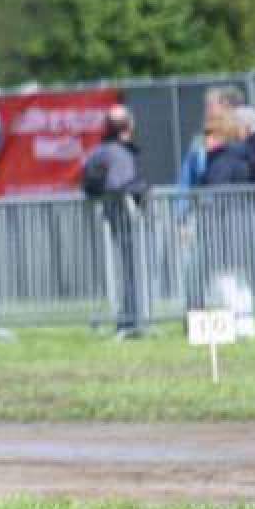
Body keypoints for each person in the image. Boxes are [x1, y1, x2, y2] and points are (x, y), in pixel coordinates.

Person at [80, 104, 145, 337]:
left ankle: (130, 318)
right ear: (128, 126)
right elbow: (119, 185)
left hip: (114, 217)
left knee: (128, 270)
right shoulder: (117, 153)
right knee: (132, 270)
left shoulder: (101, 151)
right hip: (124, 217)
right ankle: (131, 321)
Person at [180, 84, 246, 187]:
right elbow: (186, 181)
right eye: (206, 106)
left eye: (210, 105)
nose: (206, 111)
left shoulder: (242, 137)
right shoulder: (198, 142)